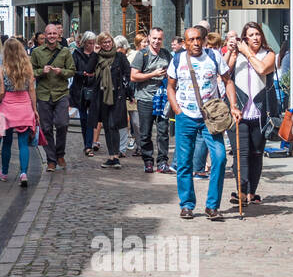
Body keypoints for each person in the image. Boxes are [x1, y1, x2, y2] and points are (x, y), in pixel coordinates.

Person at [167, 25, 240, 221]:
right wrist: (177, 109)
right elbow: (170, 87)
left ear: (204, 40)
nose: (196, 43)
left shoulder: (214, 56)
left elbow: (228, 81)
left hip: (211, 117)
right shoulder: (178, 59)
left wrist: (233, 105)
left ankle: (212, 206)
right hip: (186, 116)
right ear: (185, 43)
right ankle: (187, 205)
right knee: (184, 163)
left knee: (220, 158)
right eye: (191, 40)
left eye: (199, 39)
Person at [224, 21, 277, 207]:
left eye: (257, 34)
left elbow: (263, 69)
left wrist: (247, 54)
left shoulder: (269, 55)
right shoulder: (237, 54)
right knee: (240, 153)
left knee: (256, 153)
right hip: (238, 110)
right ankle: (241, 191)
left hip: (261, 111)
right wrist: (231, 52)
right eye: (251, 35)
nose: (255, 38)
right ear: (244, 38)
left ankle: (251, 192)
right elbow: (223, 73)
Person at [30, 22, 76, 172]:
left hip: (61, 93)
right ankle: (51, 160)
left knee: (63, 124)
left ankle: (60, 153)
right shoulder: (37, 52)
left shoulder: (65, 52)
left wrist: (61, 72)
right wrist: (40, 72)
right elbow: (30, 72)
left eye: (54, 34)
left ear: (58, 35)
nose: (51, 36)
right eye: (49, 34)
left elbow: (72, 71)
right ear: (44, 35)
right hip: (43, 94)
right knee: (46, 128)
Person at [0, 38, 38, 187]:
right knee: (23, 143)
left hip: (8, 107)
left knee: (6, 143)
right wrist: (34, 109)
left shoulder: (3, 69)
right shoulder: (27, 68)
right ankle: (23, 173)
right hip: (24, 106)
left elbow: (1, 91)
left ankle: (5, 172)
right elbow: (31, 90)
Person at [131, 27, 173, 174]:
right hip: (145, 98)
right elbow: (133, 76)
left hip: (162, 99)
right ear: (149, 38)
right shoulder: (142, 55)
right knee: (145, 132)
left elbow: (173, 74)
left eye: (159, 39)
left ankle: (162, 162)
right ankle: (148, 160)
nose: (156, 41)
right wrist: (153, 74)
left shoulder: (166, 54)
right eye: (154, 38)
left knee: (163, 131)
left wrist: (168, 76)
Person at [91, 34, 132, 169]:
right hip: (102, 96)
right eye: (104, 43)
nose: (107, 44)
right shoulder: (98, 57)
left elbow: (127, 73)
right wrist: (94, 53)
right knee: (107, 127)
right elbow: (89, 68)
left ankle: (116, 156)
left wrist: (128, 92)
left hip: (117, 96)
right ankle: (112, 156)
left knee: (113, 124)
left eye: (109, 42)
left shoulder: (119, 56)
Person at [71, 32, 99, 156]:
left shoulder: (96, 55)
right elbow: (72, 70)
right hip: (80, 89)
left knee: (91, 118)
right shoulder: (76, 54)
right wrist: (83, 73)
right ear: (84, 43)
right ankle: (87, 144)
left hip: (94, 88)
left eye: (93, 43)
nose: (91, 46)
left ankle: (89, 145)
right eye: (89, 43)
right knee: (83, 118)